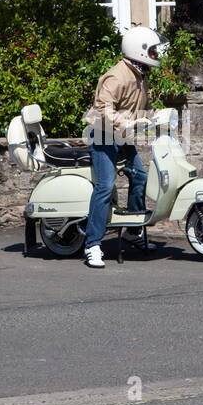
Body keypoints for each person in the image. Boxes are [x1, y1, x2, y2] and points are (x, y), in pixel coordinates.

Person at [81, 27, 164, 269]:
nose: (155, 54)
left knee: (140, 176)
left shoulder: (139, 74)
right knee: (105, 186)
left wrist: (157, 116)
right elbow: (103, 109)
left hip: (121, 136)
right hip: (103, 135)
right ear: (139, 50)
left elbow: (135, 109)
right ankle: (92, 245)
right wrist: (126, 122)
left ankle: (132, 232)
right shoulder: (116, 76)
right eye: (152, 50)